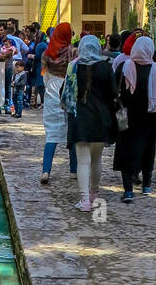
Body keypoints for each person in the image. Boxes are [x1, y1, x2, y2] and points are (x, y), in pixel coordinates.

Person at [61, 35, 118, 210]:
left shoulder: (73, 68)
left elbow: (64, 93)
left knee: (82, 161)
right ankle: (94, 194)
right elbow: (114, 93)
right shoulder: (106, 68)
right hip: (101, 119)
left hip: (80, 119)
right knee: (97, 159)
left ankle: (84, 200)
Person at [114, 35, 156, 203]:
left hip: (127, 119)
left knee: (126, 150)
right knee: (148, 150)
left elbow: (114, 91)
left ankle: (128, 191)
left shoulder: (125, 66)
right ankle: (146, 185)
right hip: (149, 119)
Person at [40, 21, 78, 185]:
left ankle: (46, 171)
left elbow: (44, 76)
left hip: (52, 92)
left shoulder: (47, 53)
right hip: (68, 91)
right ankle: (73, 171)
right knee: (73, 132)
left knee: (52, 133)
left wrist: (51, 86)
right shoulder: (73, 52)